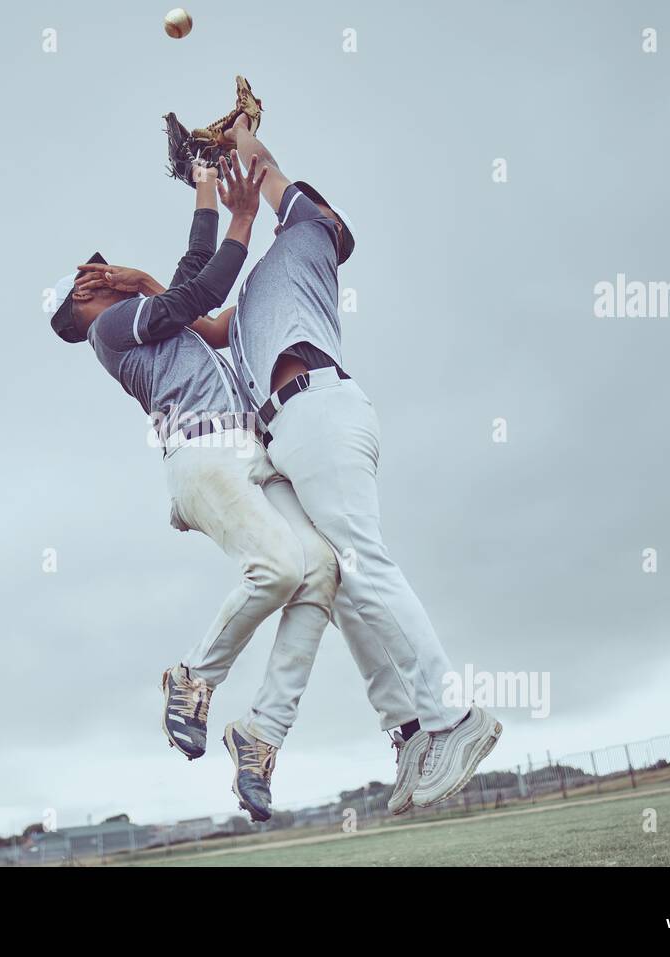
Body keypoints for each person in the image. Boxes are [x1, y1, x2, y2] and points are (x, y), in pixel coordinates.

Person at [192, 112, 503, 813]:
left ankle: (453, 715)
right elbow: (199, 317)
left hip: (318, 411)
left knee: (363, 563)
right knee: (335, 581)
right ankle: (412, 727)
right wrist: (201, 193)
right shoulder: (251, 297)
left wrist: (238, 130)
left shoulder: (307, 235)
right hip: (288, 435)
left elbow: (266, 165)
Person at [46, 153, 339, 821]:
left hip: (249, 449)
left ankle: (262, 732)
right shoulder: (109, 329)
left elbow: (191, 269)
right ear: (84, 296)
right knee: (278, 566)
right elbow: (199, 292)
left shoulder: (149, 317)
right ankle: (194, 678)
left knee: (320, 569)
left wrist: (206, 186)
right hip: (202, 453)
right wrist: (241, 213)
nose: (112, 269)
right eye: (99, 271)